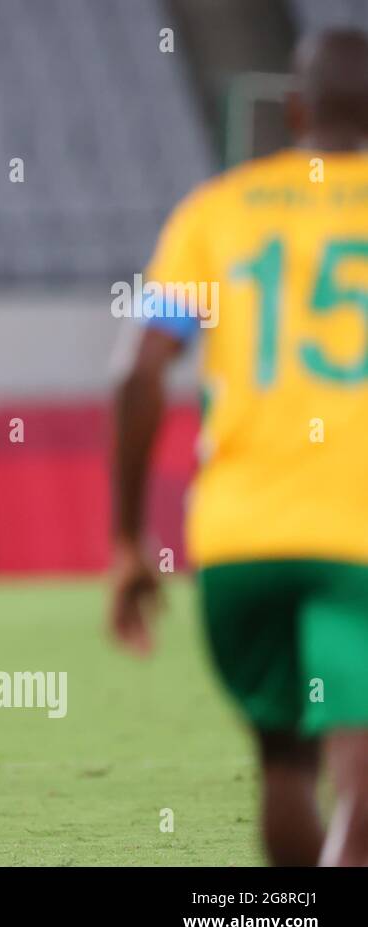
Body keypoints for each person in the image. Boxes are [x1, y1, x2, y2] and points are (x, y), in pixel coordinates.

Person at [110, 28, 368, 866]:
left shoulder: (217, 211)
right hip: (356, 536)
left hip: (239, 539)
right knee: (360, 770)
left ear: (294, 108)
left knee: (285, 766)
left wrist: (125, 540)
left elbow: (139, 377)